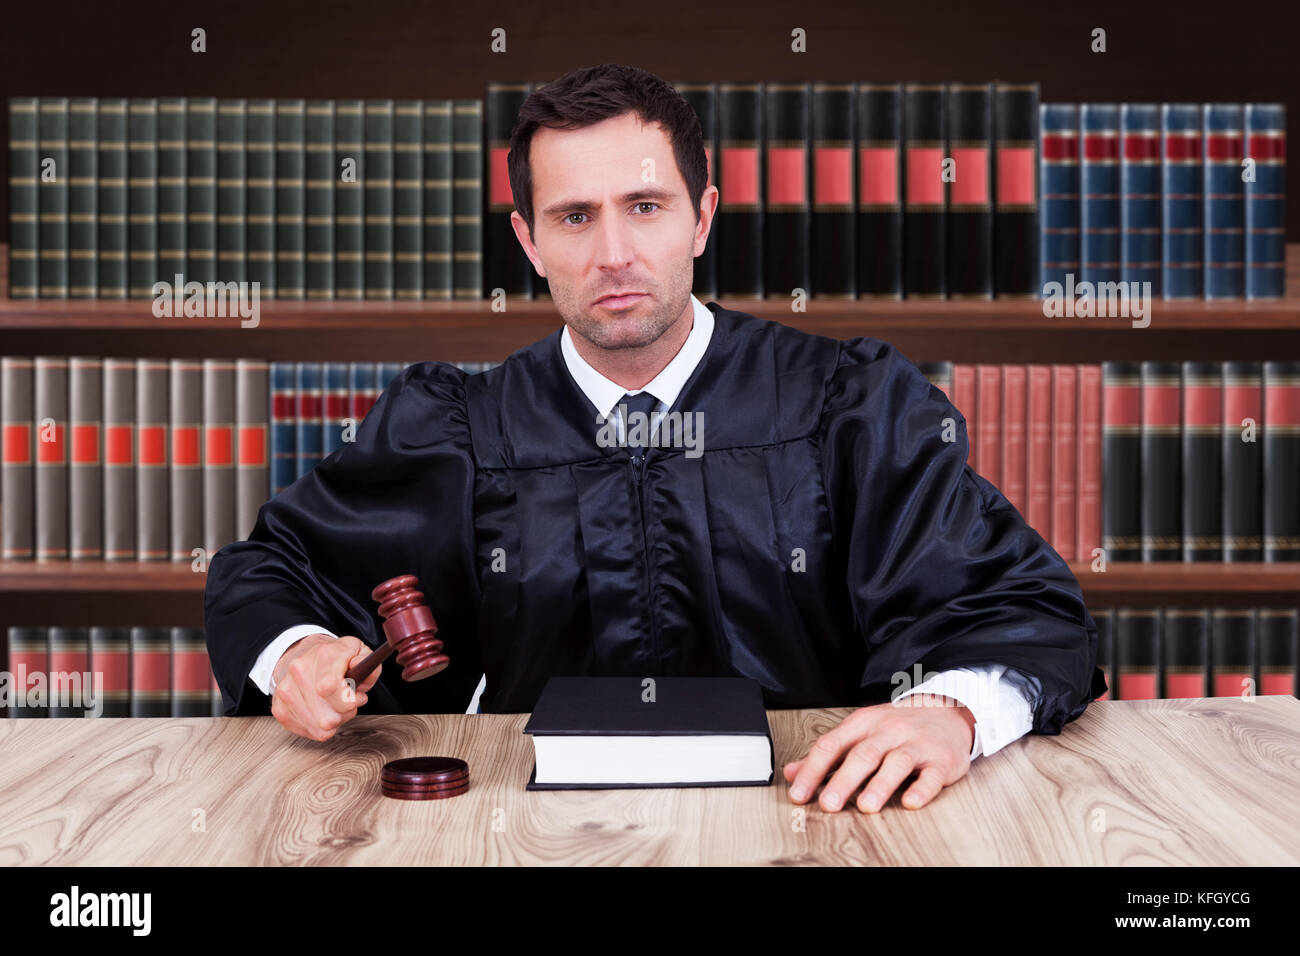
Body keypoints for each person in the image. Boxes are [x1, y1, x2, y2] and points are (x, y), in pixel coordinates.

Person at [205, 63, 1104, 814]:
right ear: (527, 240)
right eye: (573, 216)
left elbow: (1020, 608)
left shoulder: (846, 404)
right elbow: (271, 572)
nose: (613, 254)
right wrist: (298, 653)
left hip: (816, 824)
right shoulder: (462, 425)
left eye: (645, 205)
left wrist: (949, 712)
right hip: (532, 832)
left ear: (703, 216)